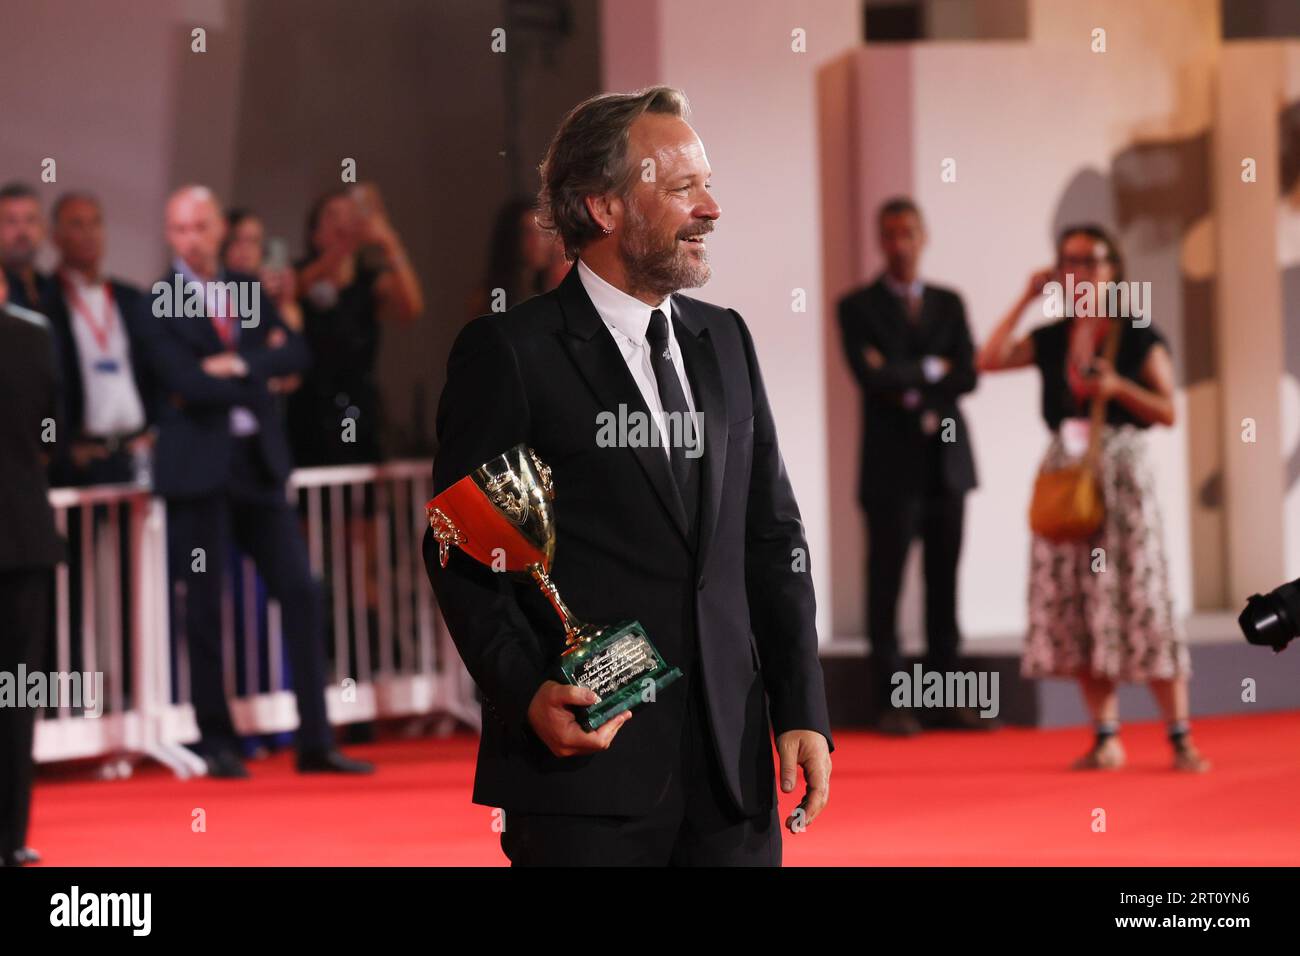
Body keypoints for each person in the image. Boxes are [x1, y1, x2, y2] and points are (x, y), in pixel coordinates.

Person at [425, 86, 833, 866]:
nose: (711, 208)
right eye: (683, 188)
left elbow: (772, 537)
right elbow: (459, 547)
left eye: (706, 184)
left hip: (731, 775)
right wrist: (525, 693)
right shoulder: (511, 352)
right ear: (603, 207)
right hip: (586, 774)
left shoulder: (727, 340)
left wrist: (801, 708)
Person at [137, 185, 373, 779]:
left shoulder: (246, 290)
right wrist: (249, 369)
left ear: (219, 228)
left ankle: (315, 739)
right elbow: (183, 381)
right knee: (204, 608)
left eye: (202, 226)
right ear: (171, 235)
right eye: (182, 228)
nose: (193, 238)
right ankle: (216, 740)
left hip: (258, 466)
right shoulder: (158, 300)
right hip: (197, 473)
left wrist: (240, 363)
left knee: (301, 589)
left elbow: (295, 353)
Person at [976, 223, 1209, 772]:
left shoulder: (1136, 331)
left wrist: (1117, 388)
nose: (1081, 270)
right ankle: (1106, 734)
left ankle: (1179, 735)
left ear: (1113, 267)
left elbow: (1168, 411)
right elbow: (988, 359)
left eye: (1092, 259)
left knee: (1141, 595)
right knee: (1079, 601)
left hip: (1123, 475)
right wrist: (1025, 297)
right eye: (1070, 261)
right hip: (1067, 475)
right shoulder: (1055, 335)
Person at [837, 198, 984, 735]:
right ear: (880, 240)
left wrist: (906, 370)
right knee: (887, 587)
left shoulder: (950, 301)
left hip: (948, 466)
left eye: (909, 233)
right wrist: (933, 369)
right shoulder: (856, 306)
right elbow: (869, 376)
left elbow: (968, 374)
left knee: (944, 586)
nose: (900, 243)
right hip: (890, 472)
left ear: (924, 237)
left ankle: (947, 698)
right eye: (891, 234)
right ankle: (892, 703)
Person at [0, 268, 64, 866]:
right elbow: (55, 432)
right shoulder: (35, 336)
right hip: (24, 535)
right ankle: (11, 838)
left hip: (22, 537)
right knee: (17, 694)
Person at [289, 184, 422, 466]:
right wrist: (341, 248)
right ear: (314, 233)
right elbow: (293, 290)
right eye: (332, 215)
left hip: (360, 408)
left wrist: (388, 240)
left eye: (348, 215)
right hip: (308, 410)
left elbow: (410, 308)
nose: (342, 222)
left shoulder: (368, 282)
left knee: (361, 503)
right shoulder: (300, 274)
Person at [43, 192, 156, 487]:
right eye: (77, 224)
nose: (88, 233)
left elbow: (155, 366)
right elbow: (44, 386)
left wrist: (155, 430)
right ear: (56, 236)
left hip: (135, 451)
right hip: (83, 456)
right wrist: (63, 448)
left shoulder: (129, 298)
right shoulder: (46, 301)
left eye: (95, 223)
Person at [467, 197, 568, 317]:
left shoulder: (555, 285)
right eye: (528, 233)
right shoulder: (495, 294)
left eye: (542, 232)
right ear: (512, 238)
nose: (537, 243)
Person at [0, 182, 56, 312]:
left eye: (31, 220)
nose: (22, 232)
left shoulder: (53, 289)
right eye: (11, 221)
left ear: (43, 228)